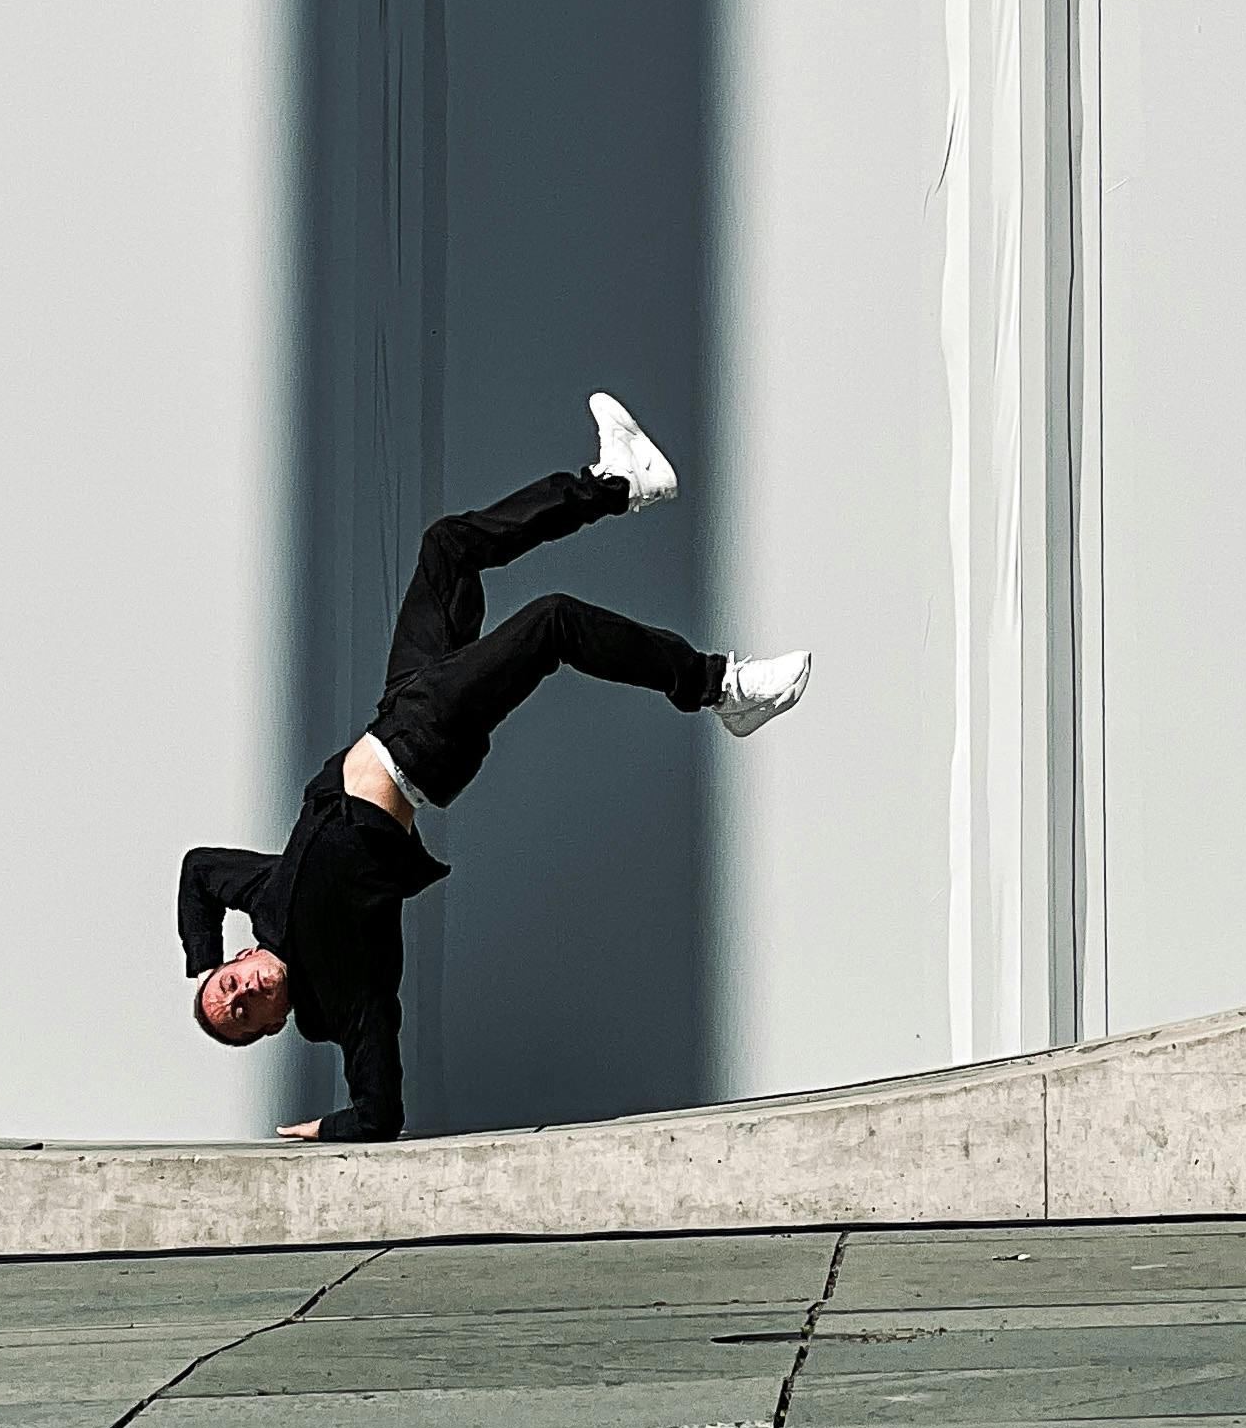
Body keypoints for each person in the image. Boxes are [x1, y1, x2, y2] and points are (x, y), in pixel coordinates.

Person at [176, 397, 811, 1141]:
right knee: (552, 623)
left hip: (397, 710)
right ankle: (722, 687)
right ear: (274, 1026)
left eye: (231, 985)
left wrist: (199, 962)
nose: (245, 993)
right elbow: (381, 1113)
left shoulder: (264, 898)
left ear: (239, 959)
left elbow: (197, 871)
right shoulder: (346, 996)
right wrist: (329, 1129)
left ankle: (616, 484)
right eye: (246, 1014)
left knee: (446, 547)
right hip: (421, 748)